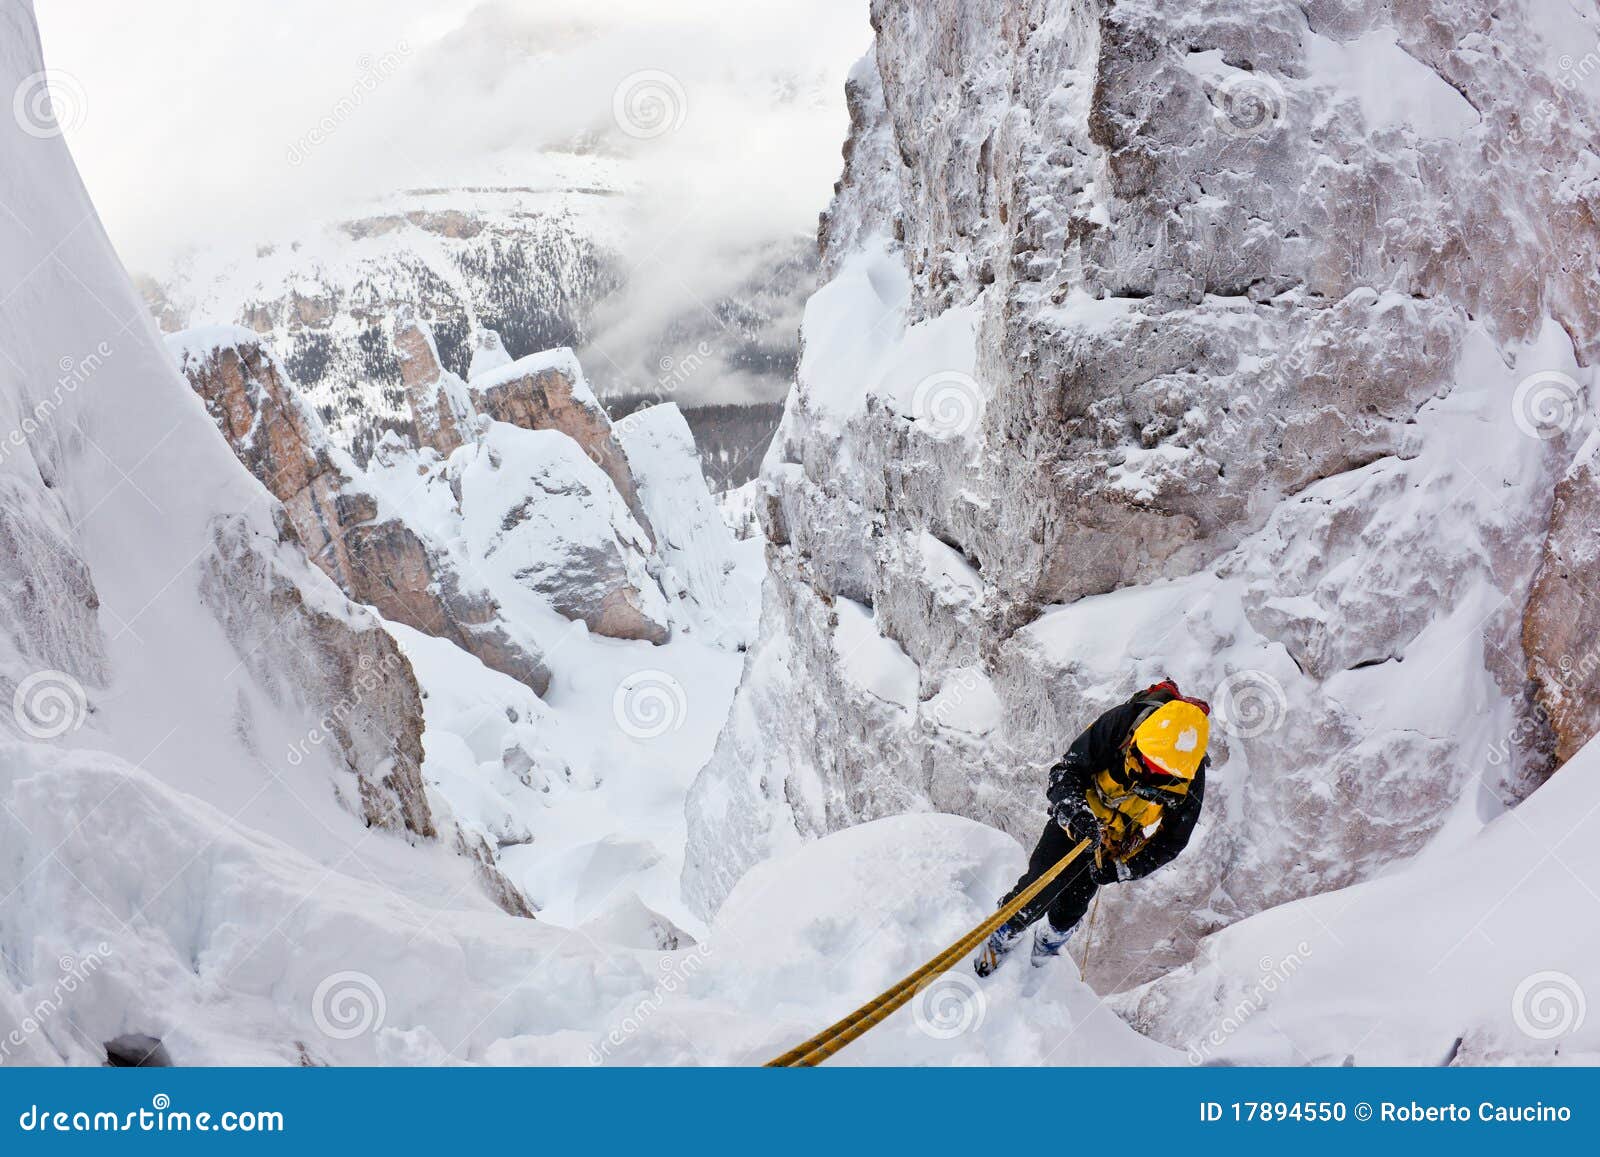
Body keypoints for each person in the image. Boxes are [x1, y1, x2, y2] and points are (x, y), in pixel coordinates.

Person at [975, 679, 1210, 976]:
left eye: (1160, 776)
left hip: (1113, 844)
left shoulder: (1190, 774)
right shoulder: (1121, 724)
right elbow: (1066, 772)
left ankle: (1044, 956)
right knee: (1037, 890)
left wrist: (1125, 868)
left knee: (1072, 908)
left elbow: (1172, 840)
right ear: (1138, 740)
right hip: (1078, 820)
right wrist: (1076, 815)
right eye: (1146, 764)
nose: (1149, 776)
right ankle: (1000, 938)